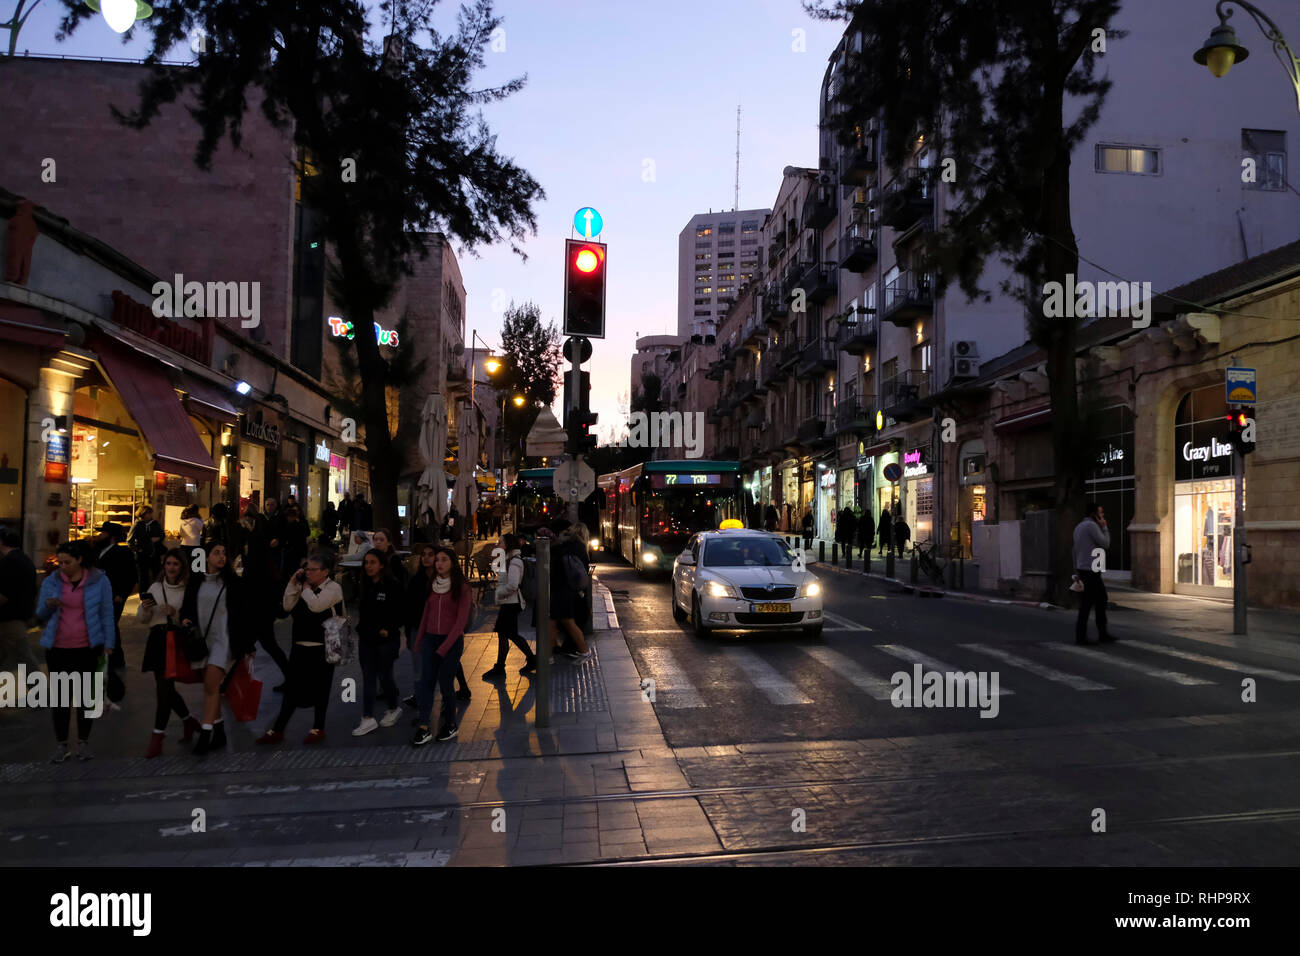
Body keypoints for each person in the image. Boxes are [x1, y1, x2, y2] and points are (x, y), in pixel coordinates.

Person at [36, 541, 116, 762]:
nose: (62, 566)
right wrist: (49, 605)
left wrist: (109, 643)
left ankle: (83, 742)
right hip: (58, 647)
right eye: (60, 562)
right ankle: (62, 745)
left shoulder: (99, 581)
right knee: (61, 699)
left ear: (80, 560)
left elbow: (107, 614)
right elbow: (40, 615)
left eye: (67, 562)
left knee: (84, 699)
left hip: (87, 647)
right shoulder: (51, 581)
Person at [256, 551, 345, 746]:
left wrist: (305, 588)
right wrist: (293, 584)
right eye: (306, 569)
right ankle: (278, 729)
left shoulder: (334, 589)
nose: (308, 573)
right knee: (292, 691)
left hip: (323, 647)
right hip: (299, 647)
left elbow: (316, 605)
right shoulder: (303, 587)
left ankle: (317, 728)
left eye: (313, 570)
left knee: (321, 690)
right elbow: (287, 606)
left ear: (325, 572)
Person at [180, 542, 252, 755]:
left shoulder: (233, 584)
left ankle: (205, 734)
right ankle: (219, 731)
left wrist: (248, 645)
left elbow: (243, 616)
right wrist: (185, 619)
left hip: (224, 641)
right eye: (216, 553)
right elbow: (187, 607)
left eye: (224, 553)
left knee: (211, 687)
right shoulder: (196, 581)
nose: (221, 557)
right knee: (209, 688)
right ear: (207, 557)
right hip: (202, 641)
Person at [138, 548, 202, 757]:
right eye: (168, 564)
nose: (171, 568)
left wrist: (175, 614)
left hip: (176, 639)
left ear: (182, 566)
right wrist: (146, 608)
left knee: (164, 690)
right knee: (165, 688)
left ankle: (158, 735)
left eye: (175, 564)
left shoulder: (187, 590)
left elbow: (192, 618)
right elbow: (142, 619)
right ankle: (188, 721)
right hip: (157, 640)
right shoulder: (155, 588)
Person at [411, 546, 472, 745]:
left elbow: (460, 622)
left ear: (452, 562)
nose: (439, 563)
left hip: (451, 642)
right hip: (430, 639)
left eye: (444, 559)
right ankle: (424, 726)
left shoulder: (461, 586)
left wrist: (444, 648)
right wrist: (419, 640)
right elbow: (426, 615)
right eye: (437, 560)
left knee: (446, 684)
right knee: (426, 684)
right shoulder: (432, 584)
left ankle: (451, 724)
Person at [239, 502, 291, 691]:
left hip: (259, 607)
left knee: (262, 644)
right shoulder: (262, 552)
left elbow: (253, 579)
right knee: (260, 644)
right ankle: (227, 683)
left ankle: (227, 683)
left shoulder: (255, 549)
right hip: (262, 607)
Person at [353, 549, 405, 736]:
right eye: (366, 562)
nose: (368, 566)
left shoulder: (393, 585)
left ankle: (393, 707)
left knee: (384, 677)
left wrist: (388, 629)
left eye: (373, 562)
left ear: (382, 564)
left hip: (385, 641)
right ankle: (367, 717)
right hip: (367, 638)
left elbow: (400, 611)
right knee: (368, 677)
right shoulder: (365, 585)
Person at [482, 533, 537, 680]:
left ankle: (528, 660)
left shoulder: (514, 562)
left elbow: (513, 585)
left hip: (512, 603)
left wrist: (499, 592)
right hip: (509, 602)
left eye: (500, 543)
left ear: (508, 545)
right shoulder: (508, 559)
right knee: (505, 633)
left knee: (509, 634)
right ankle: (502, 666)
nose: (498, 545)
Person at [94, 521, 135, 707]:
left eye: (102, 533)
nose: (98, 536)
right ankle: (116, 657)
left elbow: (130, 575)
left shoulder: (122, 553)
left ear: (110, 536)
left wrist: (121, 593)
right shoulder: (96, 552)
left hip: (113, 597)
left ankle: (113, 658)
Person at [548, 519, 592, 662]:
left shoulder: (568, 547)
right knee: (553, 621)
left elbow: (558, 561)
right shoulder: (581, 548)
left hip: (562, 589)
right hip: (569, 590)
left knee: (564, 621)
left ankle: (583, 651)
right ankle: (549, 653)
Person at [1074, 501, 1116, 645]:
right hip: (1091, 570)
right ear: (1094, 515)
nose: (1103, 516)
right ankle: (1095, 635)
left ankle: (1092, 634)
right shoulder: (1091, 526)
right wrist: (1104, 528)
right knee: (1094, 601)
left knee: (1095, 601)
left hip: (1084, 568)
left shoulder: (1079, 527)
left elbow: (1075, 550)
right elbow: (1105, 544)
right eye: (1100, 513)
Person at [0, 527, 41, 673]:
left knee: (24, 658)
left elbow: (4, 595)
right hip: (18, 616)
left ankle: (42, 694)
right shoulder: (24, 559)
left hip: (10, 621)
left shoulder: (9, 563)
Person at [129, 506, 165, 595]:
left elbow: (162, 535)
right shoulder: (137, 525)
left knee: (158, 575)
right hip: (142, 555)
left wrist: (158, 539)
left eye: (150, 513)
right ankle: (143, 596)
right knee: (143, 577)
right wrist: (139, 549)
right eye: (148, 513)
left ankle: (158, 594)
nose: (150, 515)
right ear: (143, 514)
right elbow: (130, 541)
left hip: (154, 553)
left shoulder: (155, 524)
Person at [281, 506, 310, 576]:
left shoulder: (300, 524)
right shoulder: (287, 524)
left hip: (296, 552)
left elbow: (303, 539)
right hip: (291, 552)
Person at [179, 504, 205, 569]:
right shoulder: (197, 521)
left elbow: (181, 534)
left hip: (184, 545)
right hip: (195, 544)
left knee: (184, 565)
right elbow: (203, 529)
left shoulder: (183, 521)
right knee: (196, 567)